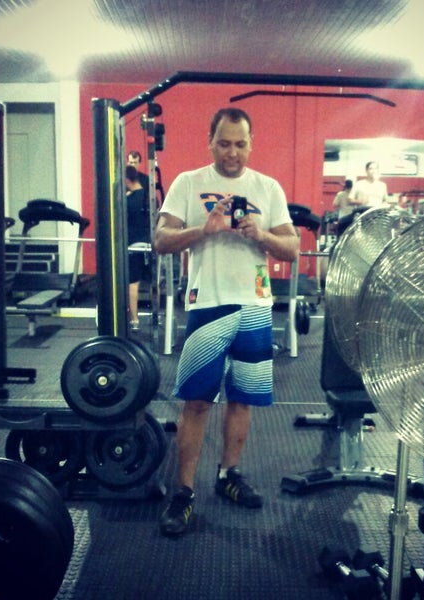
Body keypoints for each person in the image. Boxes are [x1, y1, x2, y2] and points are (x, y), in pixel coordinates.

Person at [153, 107, 299, 536]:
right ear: (210, 142)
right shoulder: (188, 182)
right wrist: (205, 229)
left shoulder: (267, 187)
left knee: (242, 399)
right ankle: (184, 492)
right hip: (208, 303)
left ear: (251, 145)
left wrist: (262, 235)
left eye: (239, 144)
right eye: (223, 143)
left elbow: (291, 248)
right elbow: (161, 239)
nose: (232, 152)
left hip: (254, 305)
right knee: (197, 401)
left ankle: (228, 475)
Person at [125, 165, 151, 331]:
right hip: (149, 245)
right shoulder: (149, 198)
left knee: (133, 284)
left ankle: (134, 320)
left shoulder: (127, 201)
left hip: (134, 246)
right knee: (153, 282)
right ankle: (155, 315)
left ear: (127, 180)